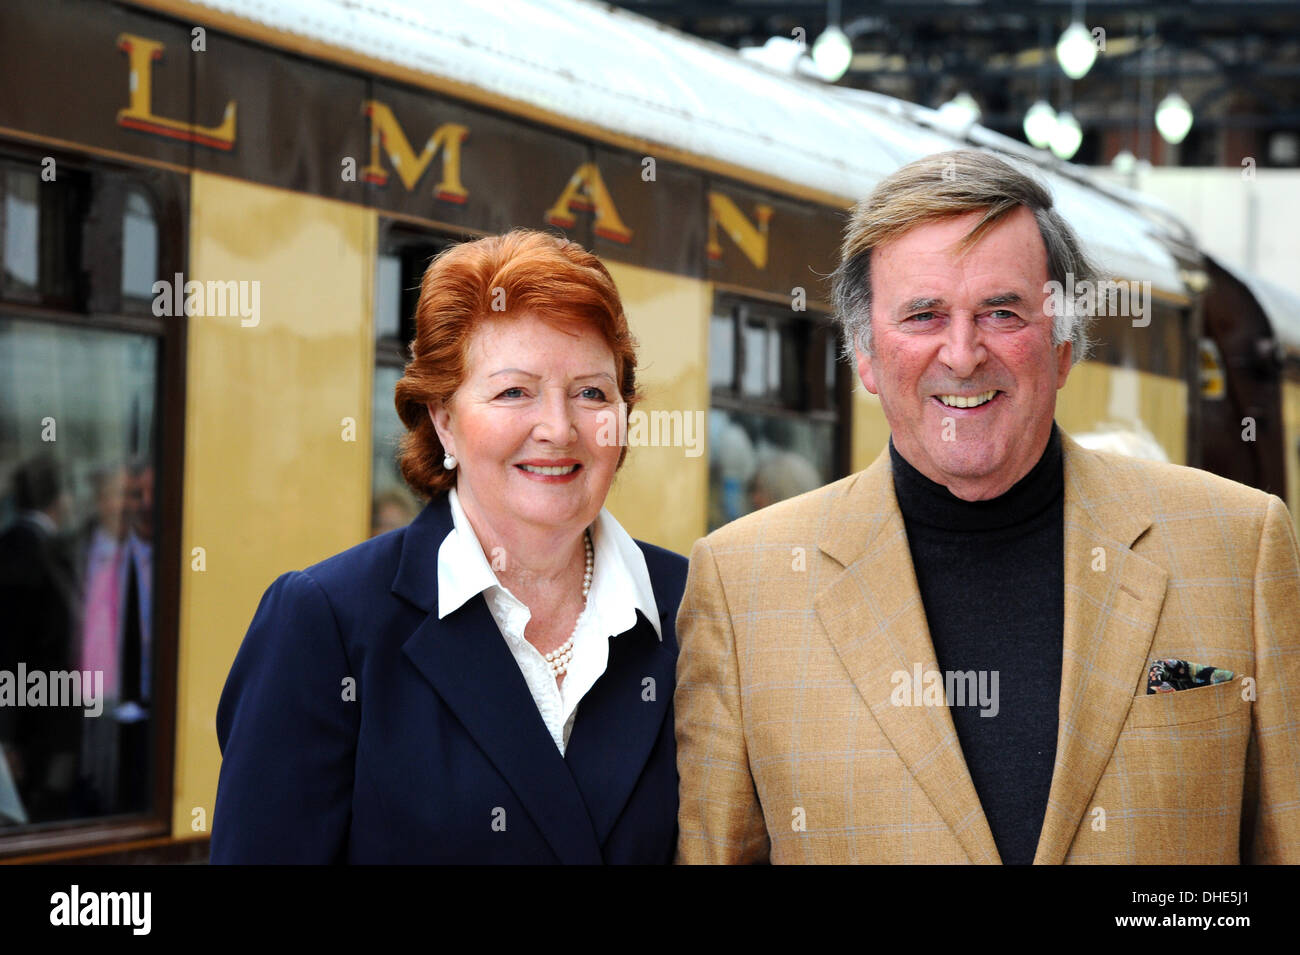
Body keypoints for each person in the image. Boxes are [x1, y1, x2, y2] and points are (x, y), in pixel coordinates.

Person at [674, 149, 1300, 865]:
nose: (963, 353)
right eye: (923, 314)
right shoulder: (742, 585)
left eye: (1002, 311)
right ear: (867, 354)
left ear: (1063, 346)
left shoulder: (1238, 546)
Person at [212, 230, 687, 863]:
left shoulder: (698, 609)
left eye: (591, 392)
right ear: (442, 418)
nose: (558, 428)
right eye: (513, 391)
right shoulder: (329, 625)